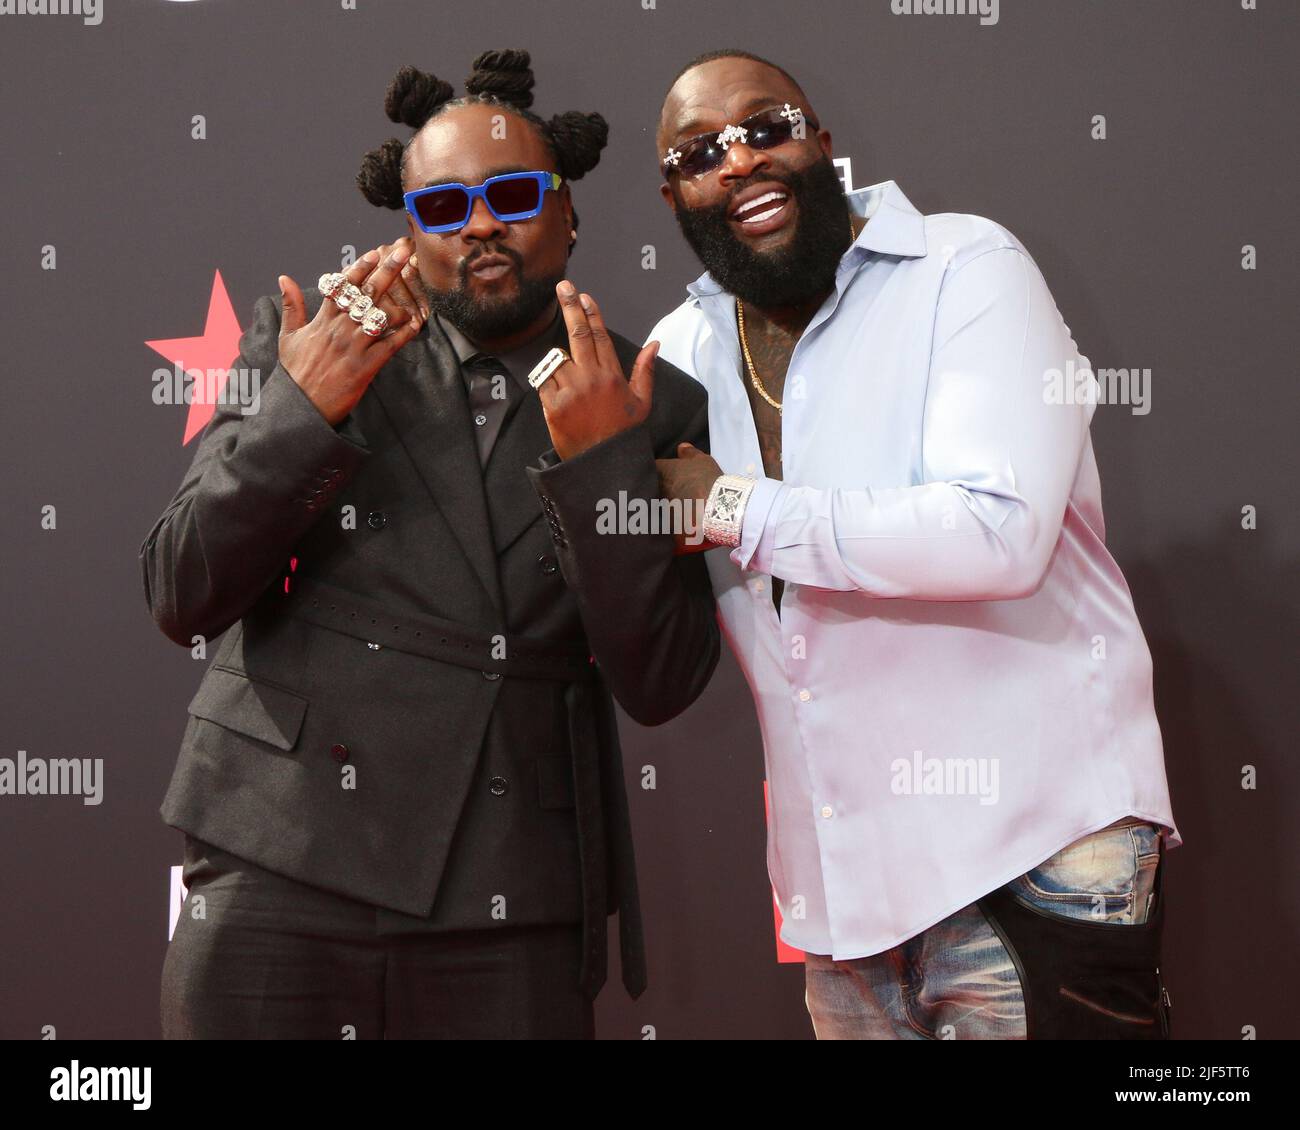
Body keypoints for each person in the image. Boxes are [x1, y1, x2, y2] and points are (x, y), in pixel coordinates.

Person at [141, 49, 718, 1040]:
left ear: (567, 210)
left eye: (512, 194)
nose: (482, 223)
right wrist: (303, 411)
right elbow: (181, 587)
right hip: (281, 850)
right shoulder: (309, 335)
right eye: (446, 208)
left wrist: (597, 472)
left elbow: (660, 680)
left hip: (512, 885)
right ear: (412, 232)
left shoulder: (647, 393)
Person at [647, 48, 1181, 1039]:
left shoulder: (964, 267)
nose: (740, 162)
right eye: (700, 151)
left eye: (767, 129)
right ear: (672, 190)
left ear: (821, 144)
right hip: (842, 898)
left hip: (1035, 851)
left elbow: (999, 533)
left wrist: (735, 509)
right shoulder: (675, 351)